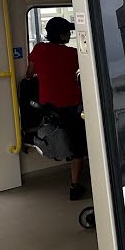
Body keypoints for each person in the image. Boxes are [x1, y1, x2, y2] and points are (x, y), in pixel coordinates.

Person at [26, 17, 88, 200]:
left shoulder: (38, 49)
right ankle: (74, 185)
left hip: (48, 109)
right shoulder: (72, 54)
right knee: (79, 147)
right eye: (68, 33)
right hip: (71, 107)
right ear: (62, 35)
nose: (69, 35)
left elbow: (29, 74)